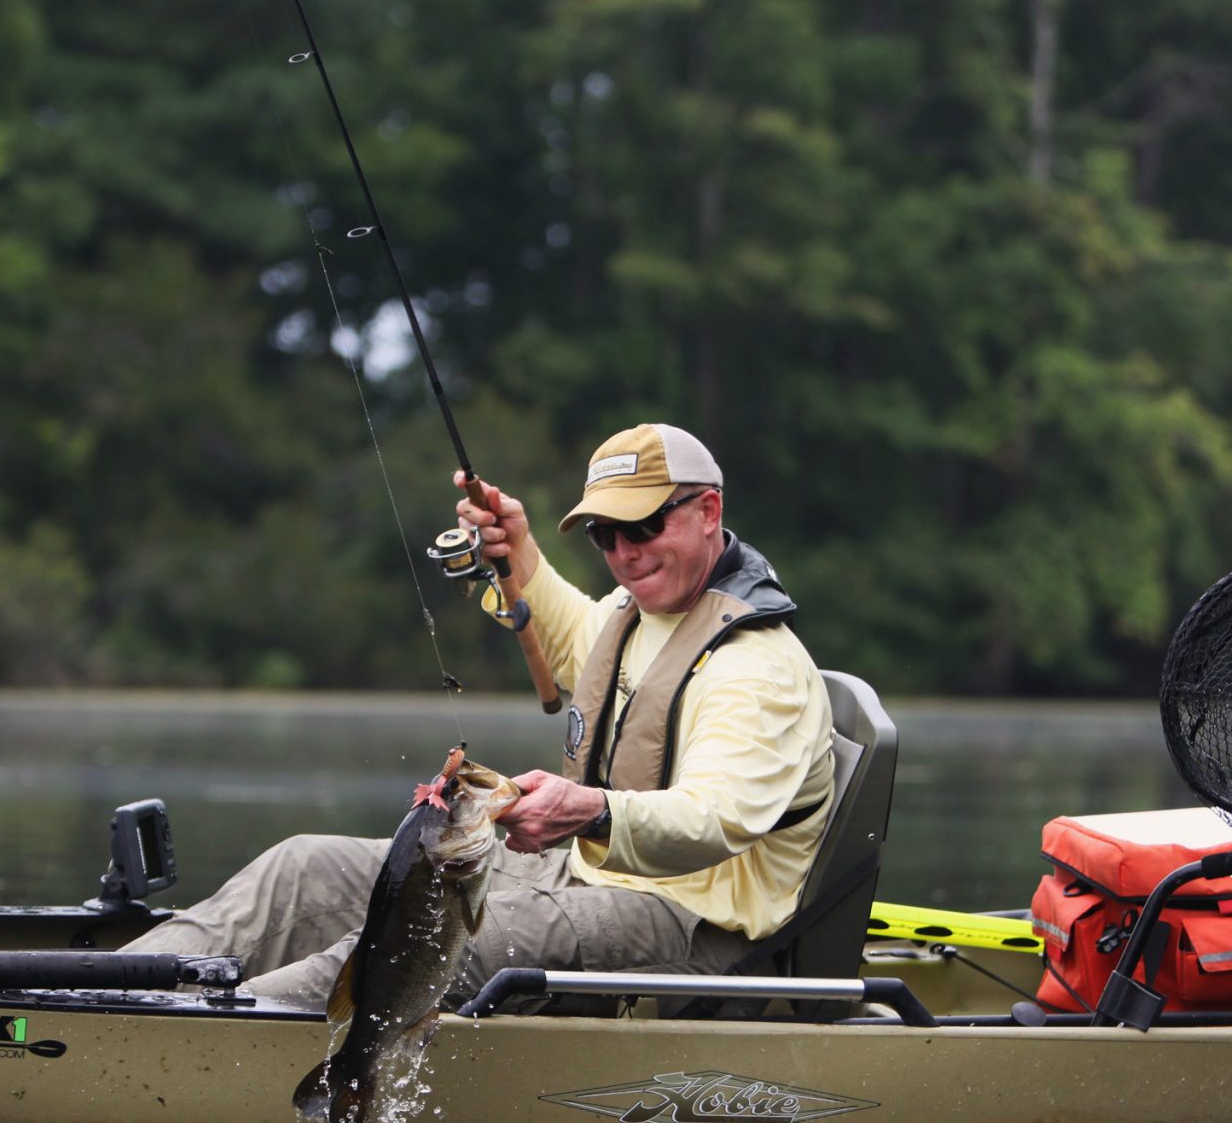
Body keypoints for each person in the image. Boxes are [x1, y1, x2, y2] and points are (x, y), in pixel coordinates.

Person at [128, 423, 837, 1007]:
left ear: (708, 512)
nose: (624, 553)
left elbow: (716, 819)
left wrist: (590, 811)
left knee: (415, 937)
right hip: (590, 878)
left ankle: (203, 1036)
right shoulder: (647, 610)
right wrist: (517, 548)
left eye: (645, 526)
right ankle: (102, 994)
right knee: (303, 868)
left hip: (689, 924)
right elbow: (575, 641)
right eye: (604, 535)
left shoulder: (756, 666)